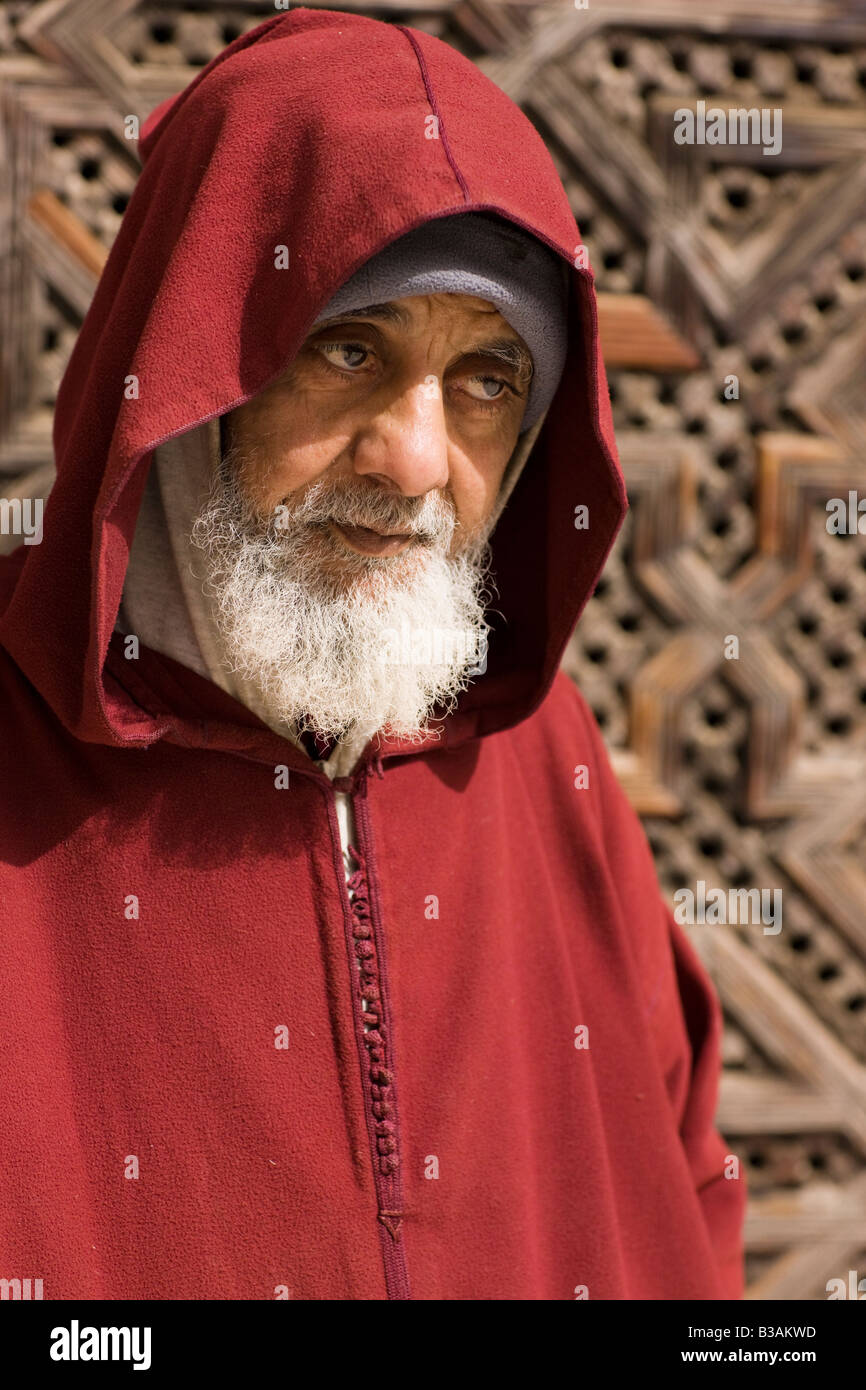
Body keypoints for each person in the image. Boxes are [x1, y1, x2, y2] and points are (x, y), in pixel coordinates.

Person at [0, 8, 746, 1300]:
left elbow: (680, 1184)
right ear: (193, 374)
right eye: (349, 350)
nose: (412, 459)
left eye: (484, 380)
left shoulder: (539, 749)